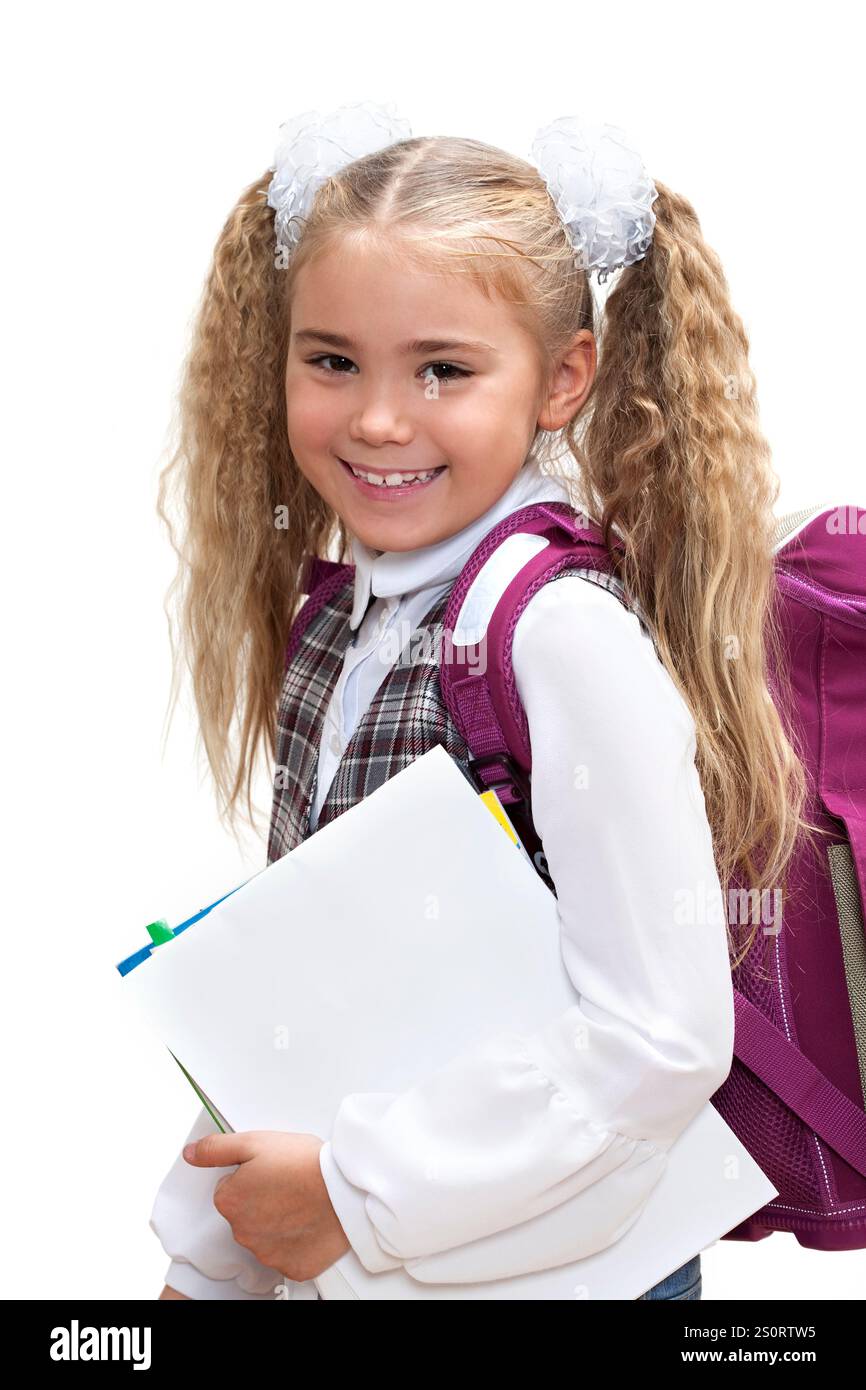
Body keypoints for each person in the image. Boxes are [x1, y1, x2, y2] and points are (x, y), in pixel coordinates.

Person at [149, 103, 810, 1301]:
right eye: (331, 360)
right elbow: (310, 993)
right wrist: (208, 1265)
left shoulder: (558, 636)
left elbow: (660, 1040)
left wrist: (350, 1190)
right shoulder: (340, 625)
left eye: (442, 370)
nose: (377, 418)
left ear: (561, 379)